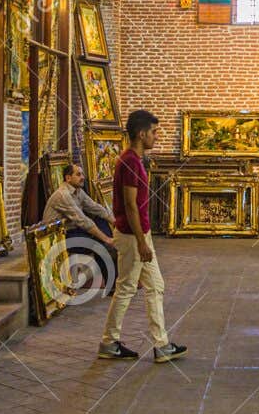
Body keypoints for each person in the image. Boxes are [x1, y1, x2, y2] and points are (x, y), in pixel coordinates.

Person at [99, 110, 187, 363]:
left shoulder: (135, 160)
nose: (156, 136)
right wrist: (140, 241)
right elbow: (129, 205)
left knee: (155, 286)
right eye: (154, 132)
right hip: (131, 235)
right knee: (126, 287)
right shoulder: (129, 162)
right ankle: (108, 342)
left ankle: (161, 345)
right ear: (141, 133)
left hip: (139, 233)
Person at [41, 162, 117, 294]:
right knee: (100, 244)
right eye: (78, 174)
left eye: (82, 174)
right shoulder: (63, 195)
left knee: (101, 220)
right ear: (68, 178)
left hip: (72, 230)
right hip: (58, 237)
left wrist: (115, 222)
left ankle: (114, 282)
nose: (82, 177)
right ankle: (113, 284)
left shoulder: (78, 191)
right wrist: (106, 238)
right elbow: (82, 221)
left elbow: (94, 207)